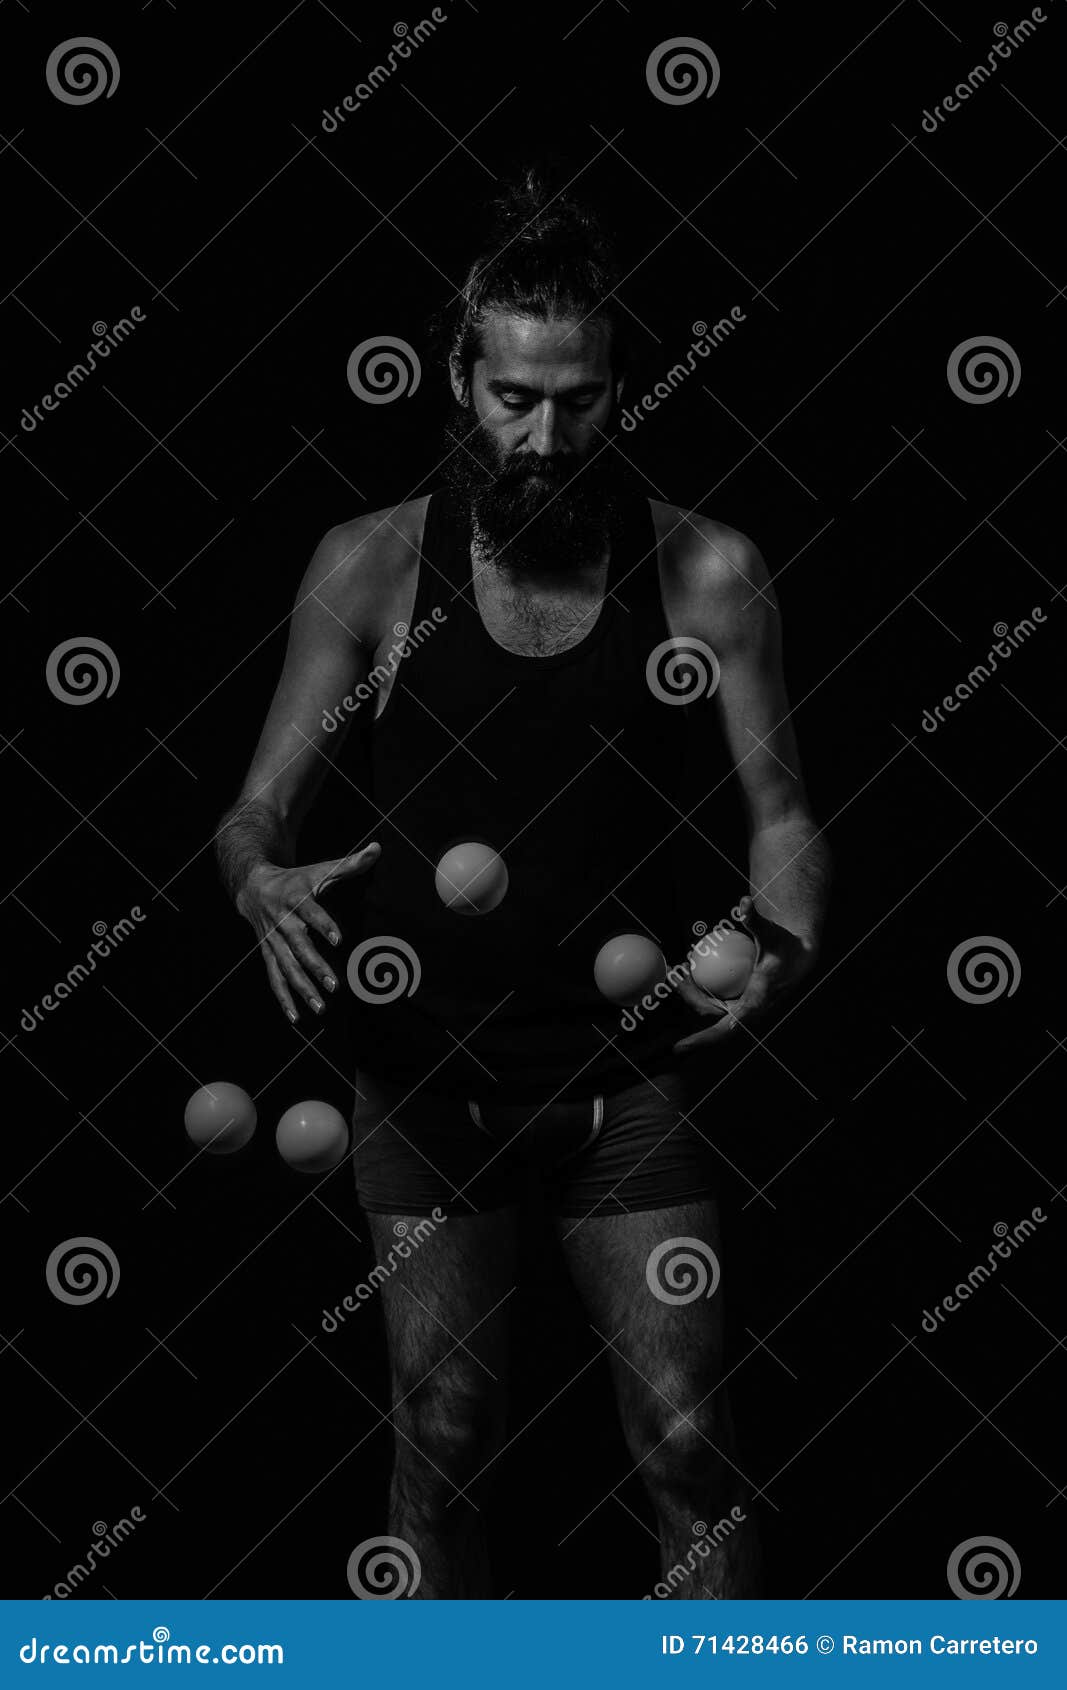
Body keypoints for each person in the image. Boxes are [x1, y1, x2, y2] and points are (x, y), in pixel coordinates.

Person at [216, 170, 831, 1598]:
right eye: (512, 399)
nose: (545, 437)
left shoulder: (708, 570)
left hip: (629, 1072)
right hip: (423, 1080)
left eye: (580, 399)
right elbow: (253, 814)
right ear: (457, 379)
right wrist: (259, 882)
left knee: (688, 1444)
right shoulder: (368, 566)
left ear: (620, 386)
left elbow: (784, 811)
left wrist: (789, 936)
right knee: (441, 1438)